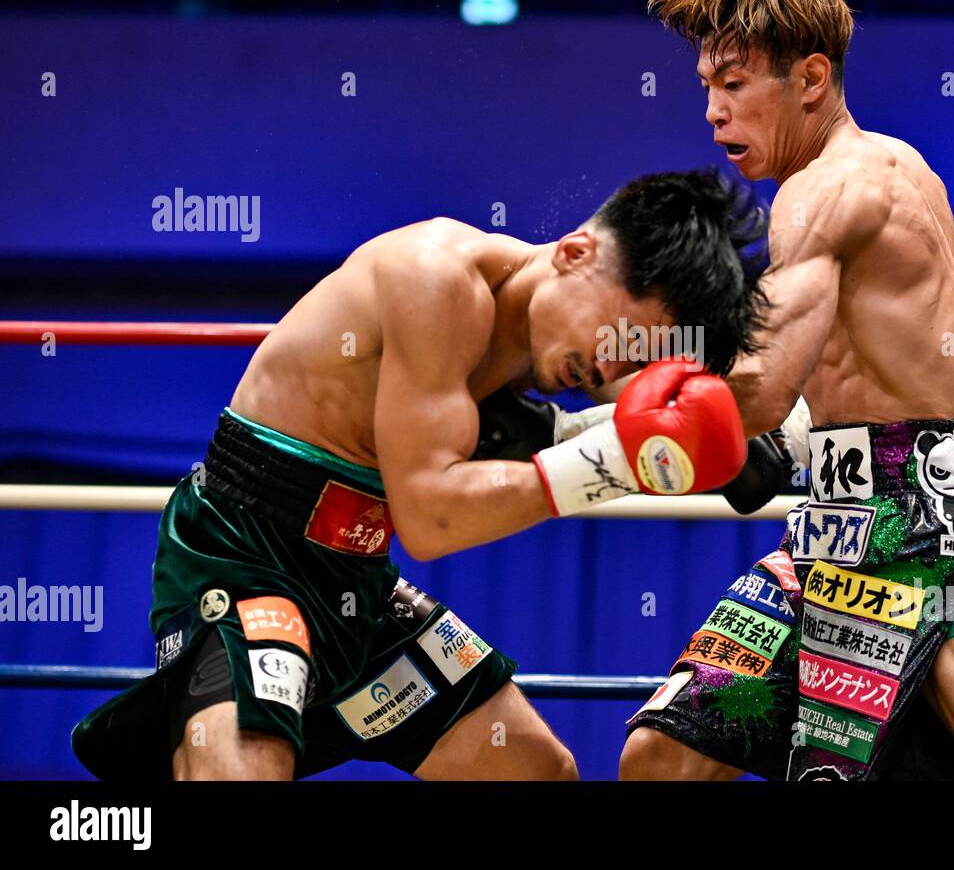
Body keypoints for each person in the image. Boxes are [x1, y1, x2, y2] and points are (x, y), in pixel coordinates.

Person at [72, 168, 766, 780]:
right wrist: (617, 462)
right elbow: (430, 519)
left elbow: (597, 430)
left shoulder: (542, 355)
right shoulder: (436, 279)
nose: (612, 372)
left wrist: (747, 435)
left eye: (638, 362)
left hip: (357, 582)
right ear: (576, 253)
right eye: (620, 340)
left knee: (537, 773)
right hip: (246, 555)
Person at [622, 0, 954, 782]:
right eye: (706, 88)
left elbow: (760, 392)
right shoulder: (909, 168)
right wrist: (818, 430)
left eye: (734, 86)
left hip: (921, 530)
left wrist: (591, 439)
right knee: (668, 750)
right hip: (839, 527)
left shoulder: (819, 193)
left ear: (809, 79)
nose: (712, 113)